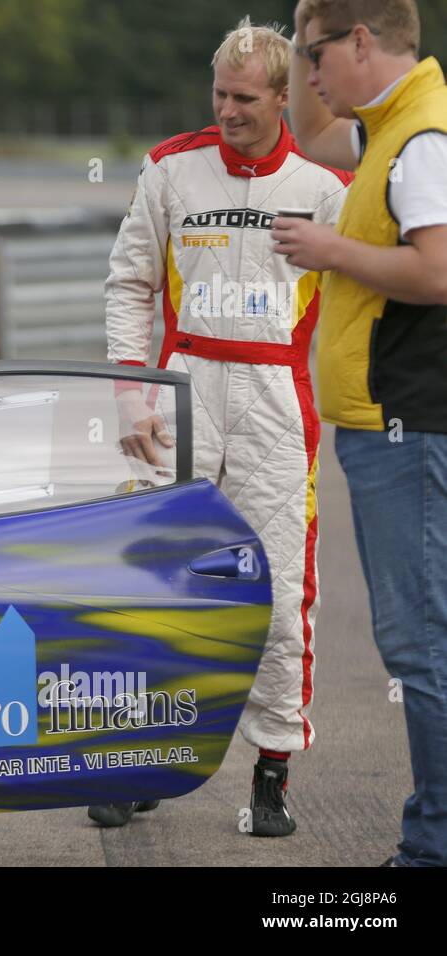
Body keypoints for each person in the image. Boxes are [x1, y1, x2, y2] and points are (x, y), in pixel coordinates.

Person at [100, 18, 352, 836]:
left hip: (279, 405)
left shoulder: (323, 193)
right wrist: (131, 392)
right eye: (221, 95)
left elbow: (360, 306)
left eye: (246, 98)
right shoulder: (172, 168)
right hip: (182, 391)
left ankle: (272, 770)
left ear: (284, 97)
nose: (230, 110)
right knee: (152, 583)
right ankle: (134, 760)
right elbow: (129, 282)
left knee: (280, 599)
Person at [274, 0, 447, 867]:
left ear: (363, 44)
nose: (306, 73)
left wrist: (331, 249)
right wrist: (304, 15)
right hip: (396, 428)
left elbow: (437, 272)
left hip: (409, 428)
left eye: (314, 54)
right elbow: (311, 132)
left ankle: (433, 848)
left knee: (422, 646)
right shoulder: (390, 128)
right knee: (425, 642)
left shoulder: (420, 142)